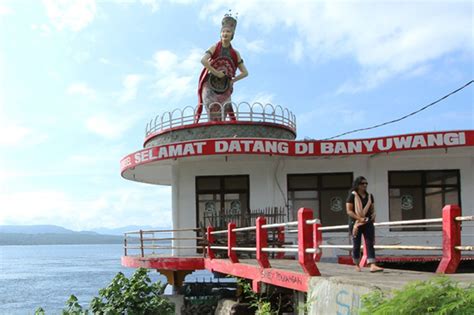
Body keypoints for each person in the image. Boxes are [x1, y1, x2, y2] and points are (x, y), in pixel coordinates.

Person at [195, 12, 248, 122]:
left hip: (225, 87)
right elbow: (203, 60)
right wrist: (216, 72)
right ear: (220, 34)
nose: (225, 34)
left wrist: (233, 80)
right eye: (223, 31)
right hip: (210, 84)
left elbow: (245, 72)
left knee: (222, 113)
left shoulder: (235, 53)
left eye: (228, 32)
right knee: (212, 109)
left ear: (232, 35)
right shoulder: (215, 47)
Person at [346, 176, 384, 272]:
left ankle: (372, 265)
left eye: (366, 183)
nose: (365, 185)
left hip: (367, 222)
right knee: (356, 244)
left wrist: (372, 217)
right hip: (355, 223)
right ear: (358, 185)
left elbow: (372, 209)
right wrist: (359, 218)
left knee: (369, 242)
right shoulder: (352, 195)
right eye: (363, 183)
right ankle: (357, 264)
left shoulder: (370, 196)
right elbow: (349, 211)